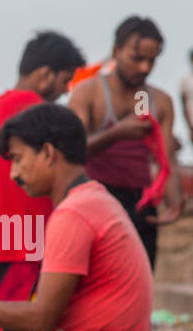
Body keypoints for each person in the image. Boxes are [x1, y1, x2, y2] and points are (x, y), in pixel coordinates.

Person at [0, 103, 153, 331]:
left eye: (19, 159)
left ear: (48, 153)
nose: (13, 174)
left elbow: (44, 317)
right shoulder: (93, 198)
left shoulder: (74, 213)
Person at [0, 31, 87, 331]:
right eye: (64, 81)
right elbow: (69, 157)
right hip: (29, 244)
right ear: (44, 75)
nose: (65, 91)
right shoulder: (33, 108)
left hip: (3, 239)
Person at [69, 16, 184, 267]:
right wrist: (116, 133)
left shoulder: (158, 101)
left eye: (151, 61)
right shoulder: (90, 93)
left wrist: (174, 200)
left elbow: (166, 159)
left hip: (140, 205)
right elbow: (72, 151)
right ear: (116, 51)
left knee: (139, 282)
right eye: (137, 58)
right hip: (96, 200)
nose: (144, 67)